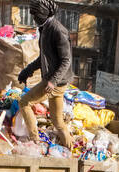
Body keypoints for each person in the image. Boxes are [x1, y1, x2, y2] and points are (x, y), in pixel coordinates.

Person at [17, 0, 73, 150]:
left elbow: (66, 60)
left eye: (35, 15)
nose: (33, 18)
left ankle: (34, 140)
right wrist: (27, 71)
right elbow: (43, 58)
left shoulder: (57, 30)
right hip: (55, 81)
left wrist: (52, 81)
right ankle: (71, 150)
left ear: (42, 14)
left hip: (55, 82)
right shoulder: (45, 28)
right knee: (57, 122)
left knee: (24, 103)